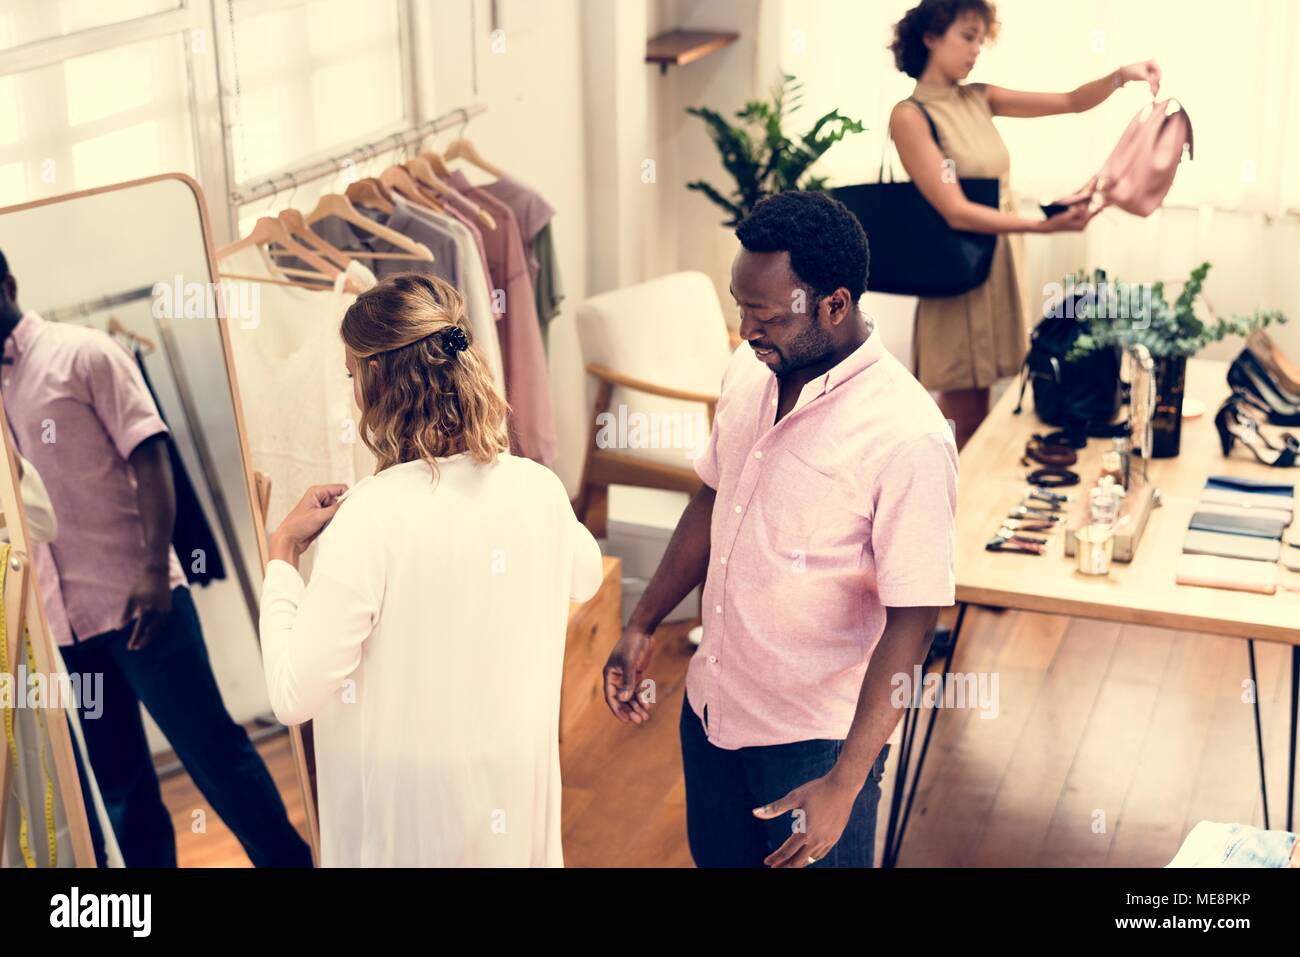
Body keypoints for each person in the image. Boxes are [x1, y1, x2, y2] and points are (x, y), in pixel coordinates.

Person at [602, 191, 958, 868]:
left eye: (763, 315)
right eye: (740, 307)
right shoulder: (750, 369)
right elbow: (713, 498)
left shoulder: (907, 435)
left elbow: (914, 618)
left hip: (816, 742)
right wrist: (643, 620)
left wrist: (846, 779)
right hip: (712, 710)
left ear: (834, 304)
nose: (744, 330)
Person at [260, 272, 602, 867]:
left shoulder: (368, 517)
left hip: (409, 812)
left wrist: (283, 556)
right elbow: (586, 577)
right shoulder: (536, 488)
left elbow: (294, 694)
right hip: (511, 788)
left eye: (350, 376)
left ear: (375, 380)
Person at [0, 247, 310, 867]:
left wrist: (151, 573)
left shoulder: (83, 352)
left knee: (214, 755)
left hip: (143, 605)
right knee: (121, 785)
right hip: (63, 629)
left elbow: (151, 454)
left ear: (7, 284)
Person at [888, 0, 1161, 447]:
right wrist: (1043, 228)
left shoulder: (979, 98)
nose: (976, 49)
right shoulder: (910, 115)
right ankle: (937, 498)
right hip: (957, 266)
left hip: (996, 257)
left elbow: (1071, 102)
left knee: (982, 396)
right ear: (930, 36)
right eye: (967, 36)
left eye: (981, 38)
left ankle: (955, 496)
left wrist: (1120, 75)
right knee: (962, 402)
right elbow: (954, 209)